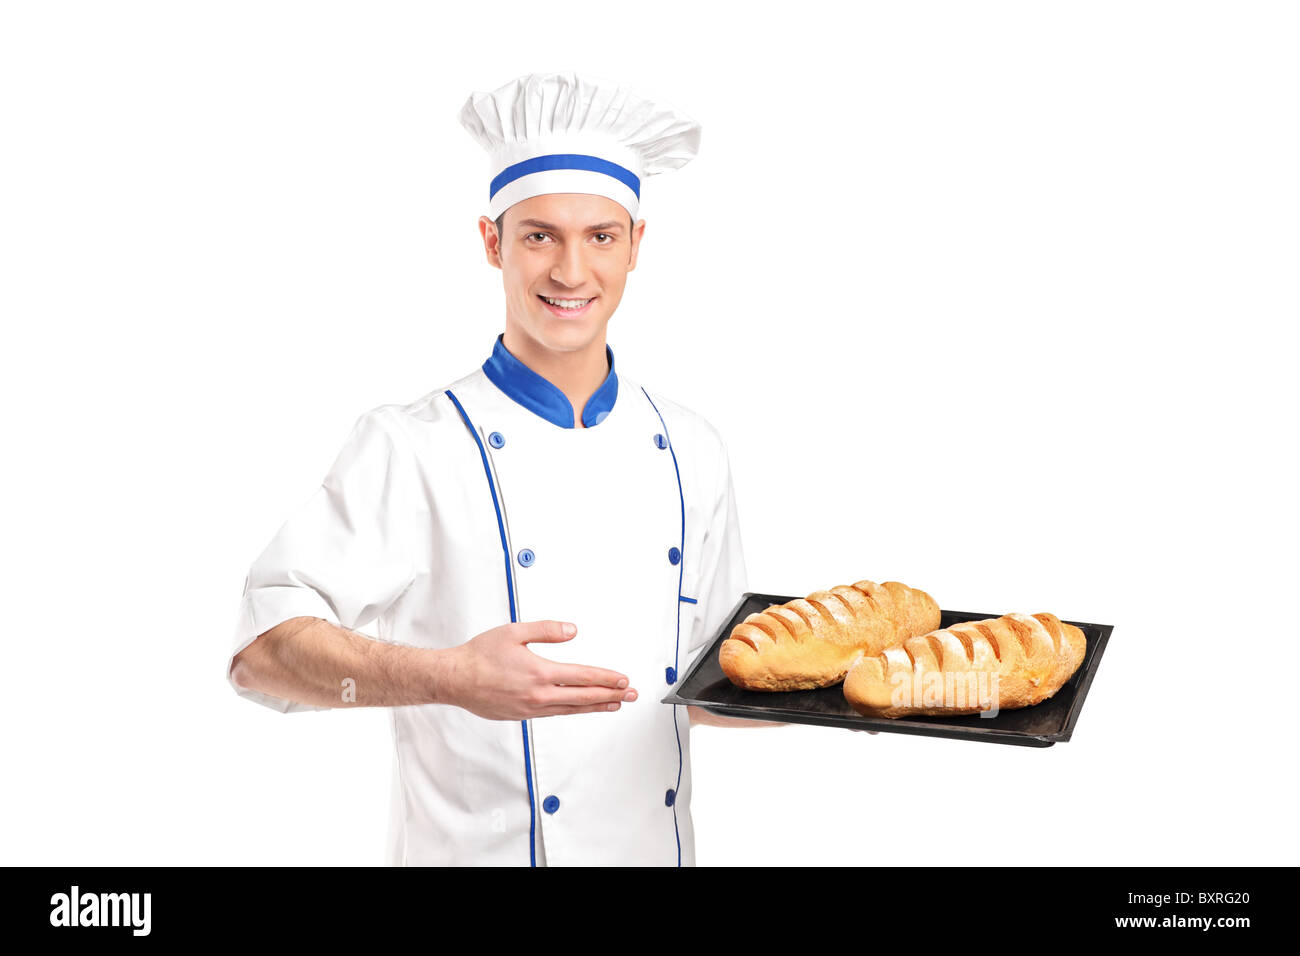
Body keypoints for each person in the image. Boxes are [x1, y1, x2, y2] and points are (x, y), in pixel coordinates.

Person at [226, 71, 774, 867]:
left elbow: (709, 683)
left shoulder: (693, 447)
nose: (571, 272)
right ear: (493, 243)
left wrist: (856, 690)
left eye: (600, 237)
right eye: (540, 235)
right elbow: (261, 656)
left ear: (636, 247)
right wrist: (449, 677)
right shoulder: (411, 443)